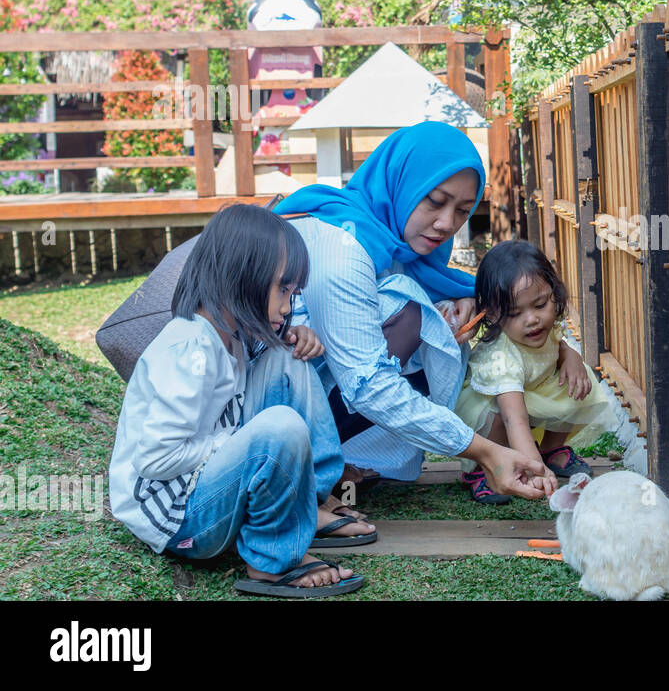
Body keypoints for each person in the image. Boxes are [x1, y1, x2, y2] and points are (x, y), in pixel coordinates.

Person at [274, 121, 553, 501]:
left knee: (425, 323)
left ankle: (334, 461)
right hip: (256, 409)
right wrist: (486, 452)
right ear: (400, 182)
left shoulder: (396, 244)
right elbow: (368, 383)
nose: (445, 224)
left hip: (301, 390)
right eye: (435, 201)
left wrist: (449, 309)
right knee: (410, 316)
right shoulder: (343, 248)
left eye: (462, 211)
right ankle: (302, 468)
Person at [107, 204, 374, 598]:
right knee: (278, 426)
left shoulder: (229, 334)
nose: (287, 306)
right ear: (240, 277)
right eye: (282, 290)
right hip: (181, 518)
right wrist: (237, 441)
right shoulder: (190, 351)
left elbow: (270, 368)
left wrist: (294, 335)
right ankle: (270, 563)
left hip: (205, 486)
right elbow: (155, 459)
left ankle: (309, 506)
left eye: (292, 293)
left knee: (288, 358)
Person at [453, 240, 609, 504]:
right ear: (493, 314)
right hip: (489, 413)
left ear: (554, 294)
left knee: (577, 378)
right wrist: (537, 471)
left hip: (525, 397)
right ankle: (487, 467)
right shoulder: (502, 357)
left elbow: (557, 344)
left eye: (539, 305)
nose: (532, 319)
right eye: (515, 313)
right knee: (499, 415)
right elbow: (516, 420)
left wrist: (571, 357)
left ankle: (550, 448)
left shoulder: (543, 328)